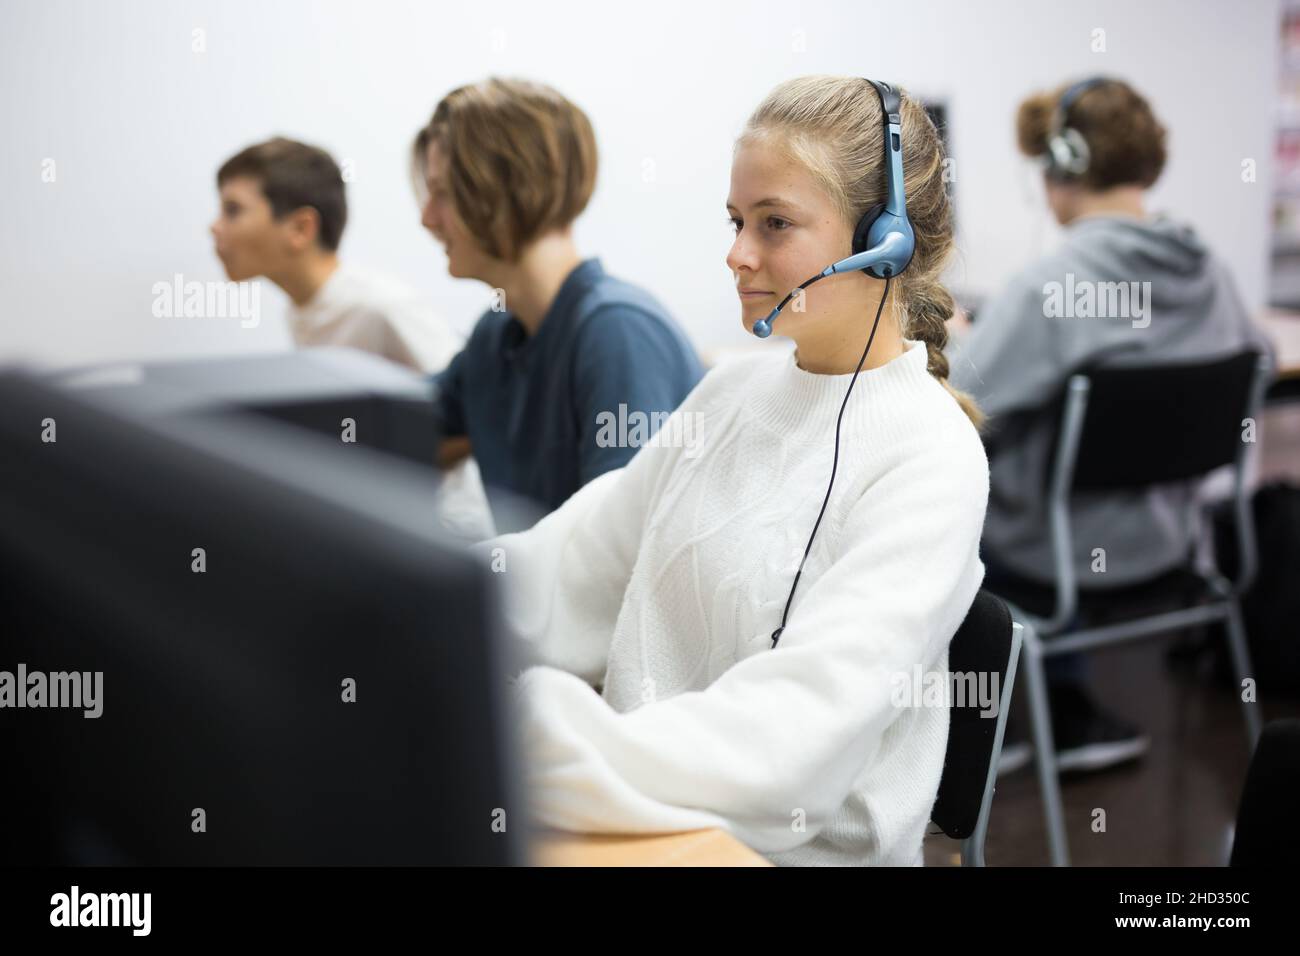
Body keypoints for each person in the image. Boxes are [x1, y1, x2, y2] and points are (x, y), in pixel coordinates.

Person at [483, 76, 989, 866]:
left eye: (775, 223)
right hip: (660, 819)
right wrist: (423, 608)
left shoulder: (930, 459)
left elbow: (787, 746)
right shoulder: (729, 392)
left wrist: (534, 734)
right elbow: (573, 566)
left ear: (885, 240)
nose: (737, 253)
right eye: (736, 220)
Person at [947, 77, 1274, 773]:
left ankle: (981, 729)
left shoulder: (1049, 287)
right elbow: (1260, 363)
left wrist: (958, 337)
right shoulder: (1209, 269)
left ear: (1063, 167)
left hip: (1057, 563)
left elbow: (961, 400)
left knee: (945, 492)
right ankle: (1068, 716)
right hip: (1174, 551)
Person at [412, 78, 703, 527]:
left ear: (508, 189)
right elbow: (404, 423)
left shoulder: (616, 332)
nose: (427, 218)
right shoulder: (497, 334)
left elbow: (615, 551)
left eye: (444, 193)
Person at [213, 137, 460, 373]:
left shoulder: (380, 307)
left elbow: (466, 398)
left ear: (301, 228)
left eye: (233, 210)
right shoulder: (300, 310)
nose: (214, 227)